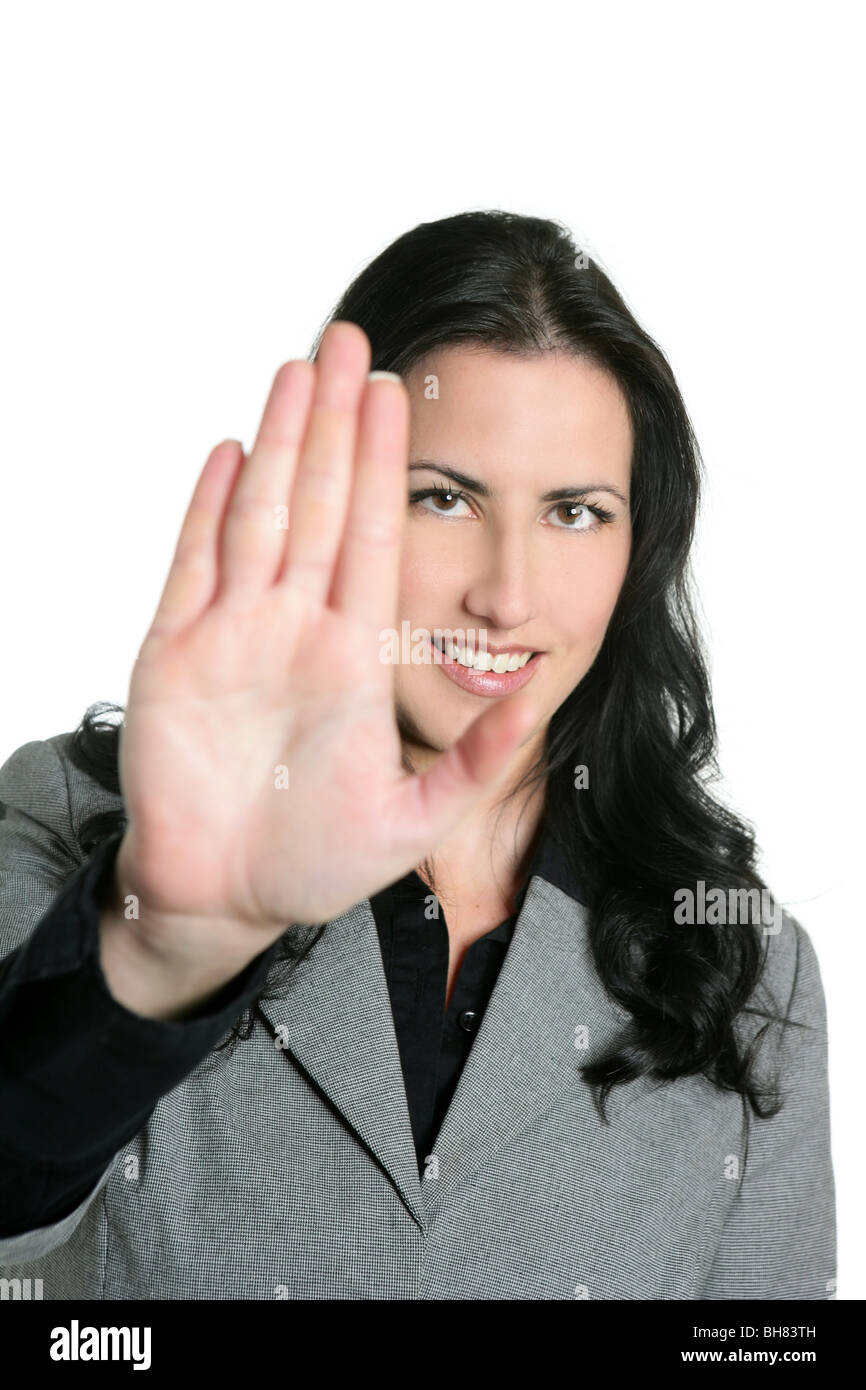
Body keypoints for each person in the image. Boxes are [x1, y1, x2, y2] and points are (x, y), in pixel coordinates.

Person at [0, 211, 835, 1300]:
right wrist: (160, 945)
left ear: (639, 548)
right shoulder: (71, 825)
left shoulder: (746, 972)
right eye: (442, 497)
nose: (505, 595)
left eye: (574, 513)